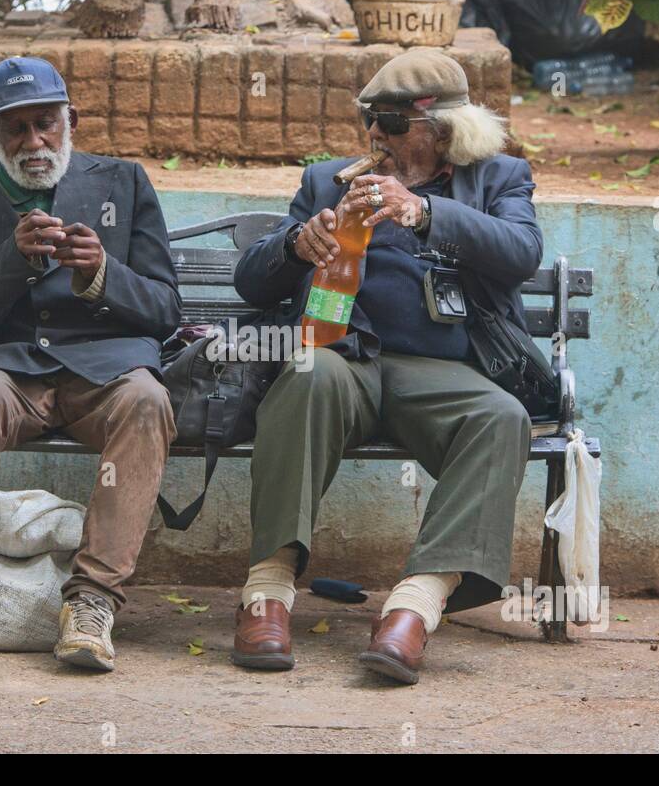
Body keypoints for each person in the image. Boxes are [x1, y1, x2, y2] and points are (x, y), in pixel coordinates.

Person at [231, 48, 543, 685]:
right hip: (348, 358)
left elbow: (522, 252)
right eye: (370, 119)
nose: (375, 135)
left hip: (441, 368)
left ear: (442, 128)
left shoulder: (498, 178)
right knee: (305, 373)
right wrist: (295, 246)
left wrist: (425, 212)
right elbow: (251, 283)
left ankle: (415, 607)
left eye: (393, 124)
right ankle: (267, 589)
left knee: (501, 418)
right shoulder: (327, 180)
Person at [0, 57, 180, 674]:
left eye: (46, 124)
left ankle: (92, 602)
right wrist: (8, 263)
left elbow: (164, 310)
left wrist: (102, 273)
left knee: (148, 400)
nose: (34, 142)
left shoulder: (122, 184)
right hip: (10, 374)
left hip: (107, 373)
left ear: (71, 120)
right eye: (15, 129)